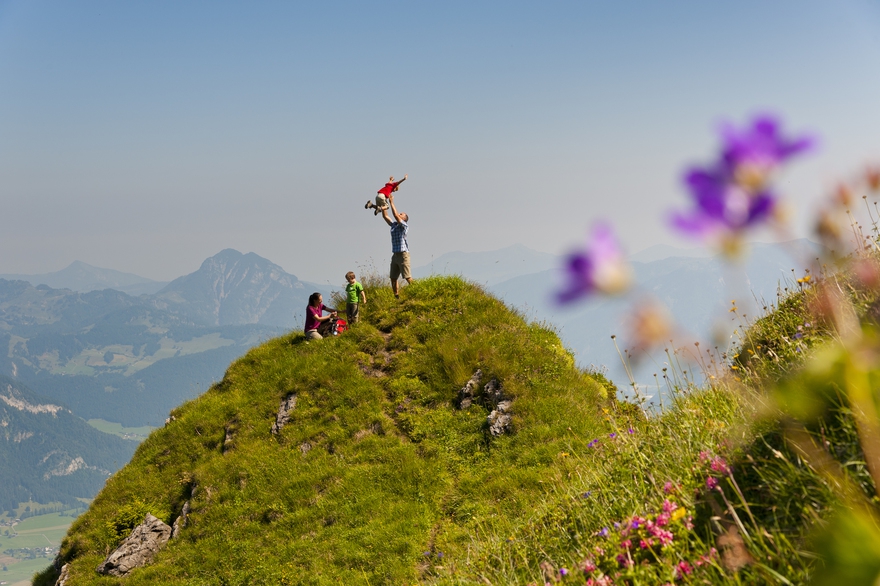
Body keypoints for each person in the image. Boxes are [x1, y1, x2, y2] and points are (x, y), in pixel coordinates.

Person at [380, 193, 411, 298]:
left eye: (402, 214)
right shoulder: (394, 225)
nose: (399, 214)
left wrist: (391, 202)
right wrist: (384, 204)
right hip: (395, 255)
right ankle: (396, 296)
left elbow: (396, 216)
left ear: (404, 219)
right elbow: (385, 216)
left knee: (407, 277)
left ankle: (417, 291)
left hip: (403, 255)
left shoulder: (404, 226)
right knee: (393, 277)